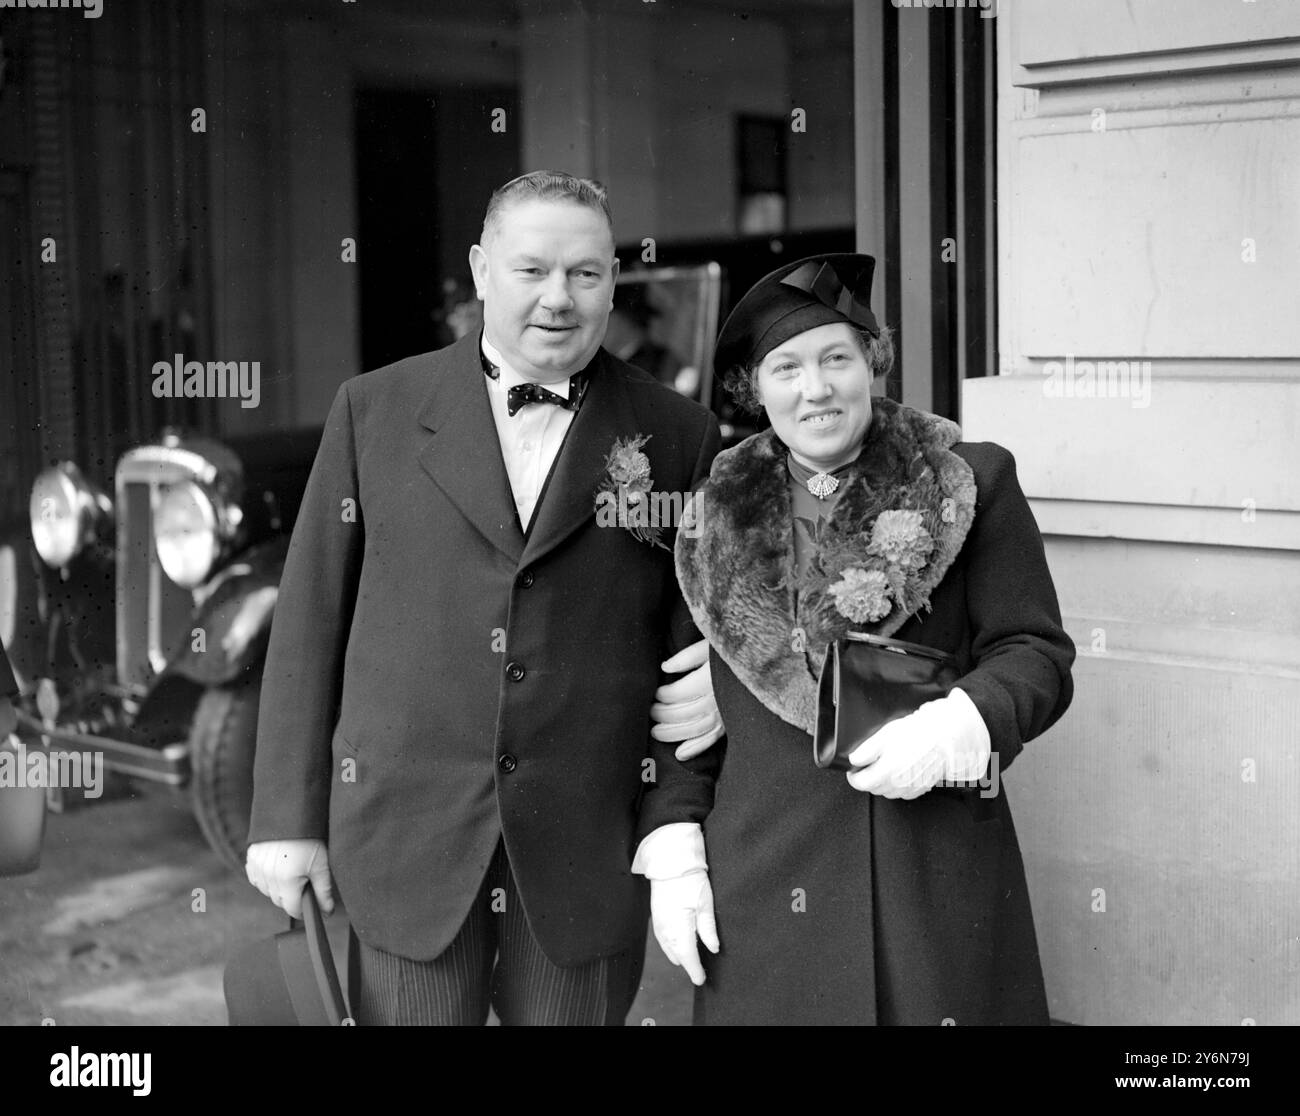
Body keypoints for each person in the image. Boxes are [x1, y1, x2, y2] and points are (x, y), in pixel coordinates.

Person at [245, 171, 722, 1026]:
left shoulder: (680, 434)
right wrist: (286, 817)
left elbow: (695, 651)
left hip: (585, 852)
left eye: (585, 273)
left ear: (615, 280)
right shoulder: (373, 410)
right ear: (479, 270)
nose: (559, 298)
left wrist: (674, 824)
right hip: (406, 843)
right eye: (531, 270)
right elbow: (310, 620)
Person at [634, 253, 1076, 1026]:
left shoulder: (971, 481)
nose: (816, 388)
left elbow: (1036, 655)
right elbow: (684, 701)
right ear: (752, 389)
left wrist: (962, 722)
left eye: (836, 358)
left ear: (871, 361)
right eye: (786, 367)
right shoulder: (710, 517)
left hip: (928, 875)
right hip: (763, 884)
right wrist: (674, 840)